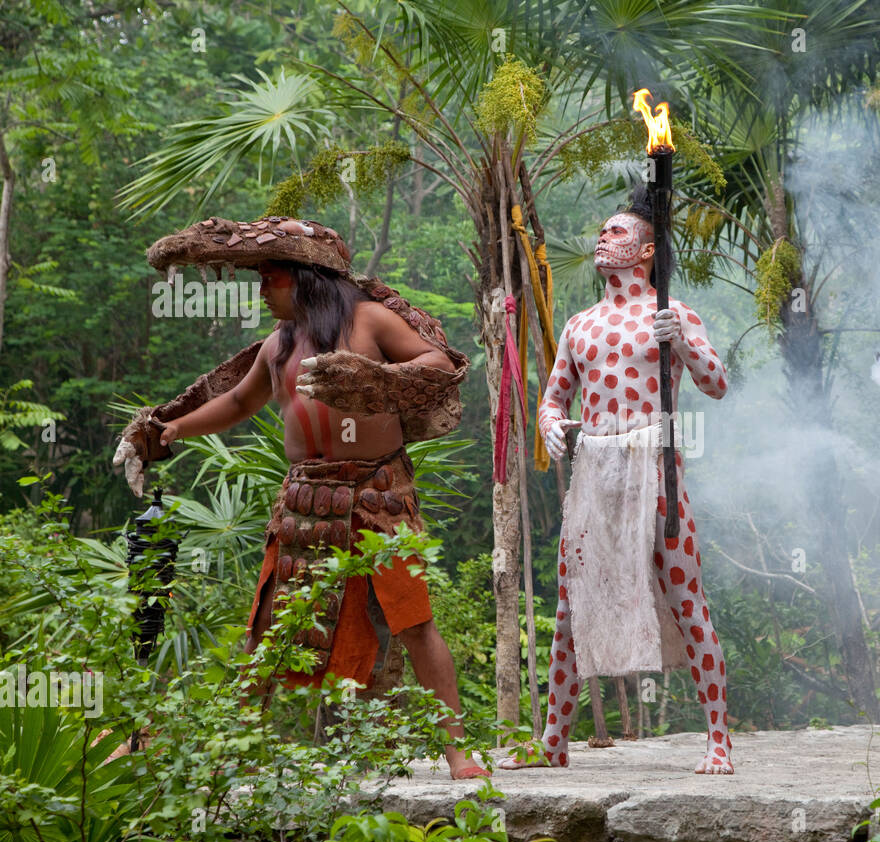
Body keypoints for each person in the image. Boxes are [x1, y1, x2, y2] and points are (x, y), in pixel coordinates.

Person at [113, 216, 489, 779]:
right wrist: (171, 429)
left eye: (271, 279)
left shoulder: (367, 320)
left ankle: (459, 754)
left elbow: (437, 363)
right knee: (267, 626)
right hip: (304, 498)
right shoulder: (279, 343)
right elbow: (239, 402)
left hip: (375, 492)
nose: (262, 291)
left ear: (307, 278)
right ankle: (233, 753)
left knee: (412, 621)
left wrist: (367, 376)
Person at [501, 192, 734, 774]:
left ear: (647, 251)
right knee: (569, 607)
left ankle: (719, 741)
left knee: (687, 600)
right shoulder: (581, 325)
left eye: (616, 233)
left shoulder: (673, 312)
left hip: (656, 469)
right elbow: (553, 399)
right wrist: (553, 427)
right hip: (597, 473)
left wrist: (678, 336)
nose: (602, 239)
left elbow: (717, 383)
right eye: (601, 231)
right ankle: (554, 741)